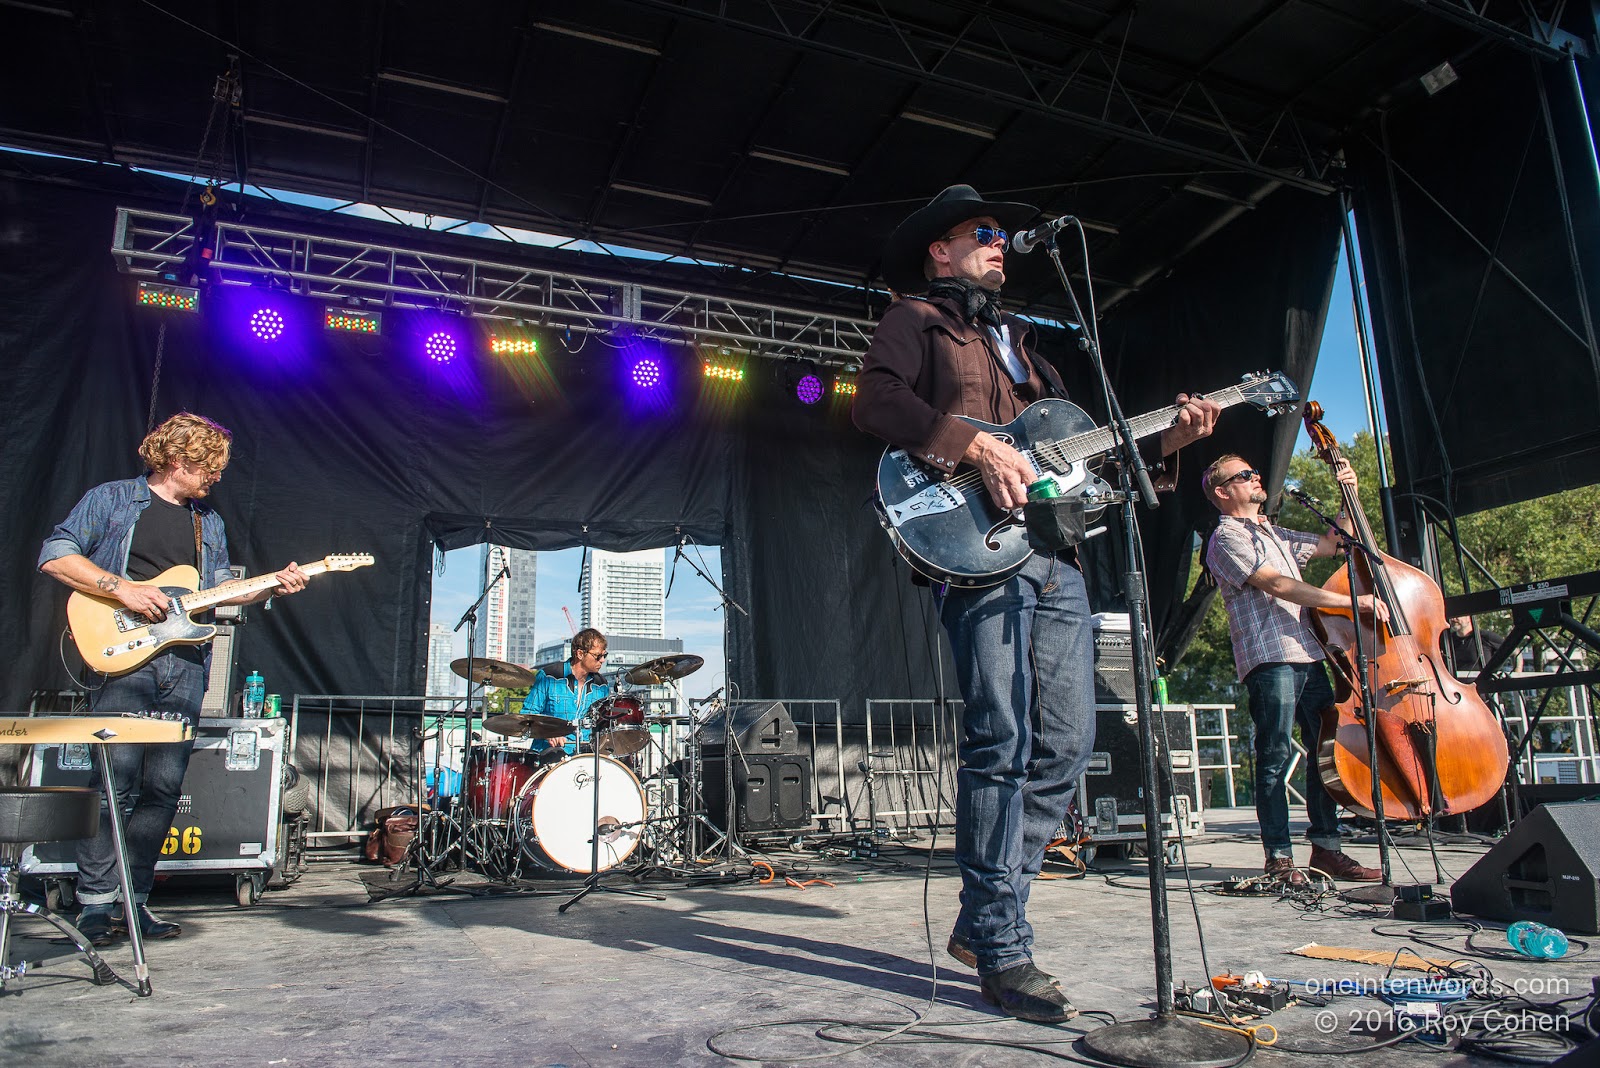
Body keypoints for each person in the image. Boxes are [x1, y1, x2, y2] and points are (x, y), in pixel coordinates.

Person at [853, 184, 1218, 1023]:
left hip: (1058, 557)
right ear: (939, 251)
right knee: (1001, 737)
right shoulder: (917, 320)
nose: (999, 243)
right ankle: (1005, 946)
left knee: (1067, 742)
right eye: (980, 233)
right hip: (977, 554)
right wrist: (974, 441)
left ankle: (986, 918)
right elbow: (874, 401)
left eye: (1000, 235)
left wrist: (1169, 442)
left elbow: (1090, 464)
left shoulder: (1033, 351)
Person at [38, 412, 308, 944]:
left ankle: (134, 901)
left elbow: (217, 593)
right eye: (209, 467)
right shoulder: (113, 500)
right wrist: (122, 589)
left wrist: (274, 585)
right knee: (113, 784)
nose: (217, 478)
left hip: (183, 668)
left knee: (162, 789)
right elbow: (55, 556)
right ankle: (94, 902)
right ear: (178, 459)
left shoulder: (209, 523)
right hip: (124, 662)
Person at [1201, 454, 1388, 886]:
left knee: (1328, 751)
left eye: (1254, 471)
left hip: (1308, 653)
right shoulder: (1226, 537)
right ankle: (1280, 859)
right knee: (1275, 755)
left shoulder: (1274, 533)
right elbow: (1278, 585)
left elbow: (1332, 542)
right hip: (1271, 657)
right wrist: (1350, 602)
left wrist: (1349, 492)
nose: (1255, 477)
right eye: (1244, 475)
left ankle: (1327, 850)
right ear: (1223, 492)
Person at [518, 628, 611, 756]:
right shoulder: (548, 677)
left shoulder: (602, 685)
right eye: (598, 656)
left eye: (604, 655)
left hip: (586, 757)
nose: (602, 660)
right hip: (547, 755)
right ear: (580, 654)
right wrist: (548, 733)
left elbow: (604, 725)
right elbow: (527, 714)